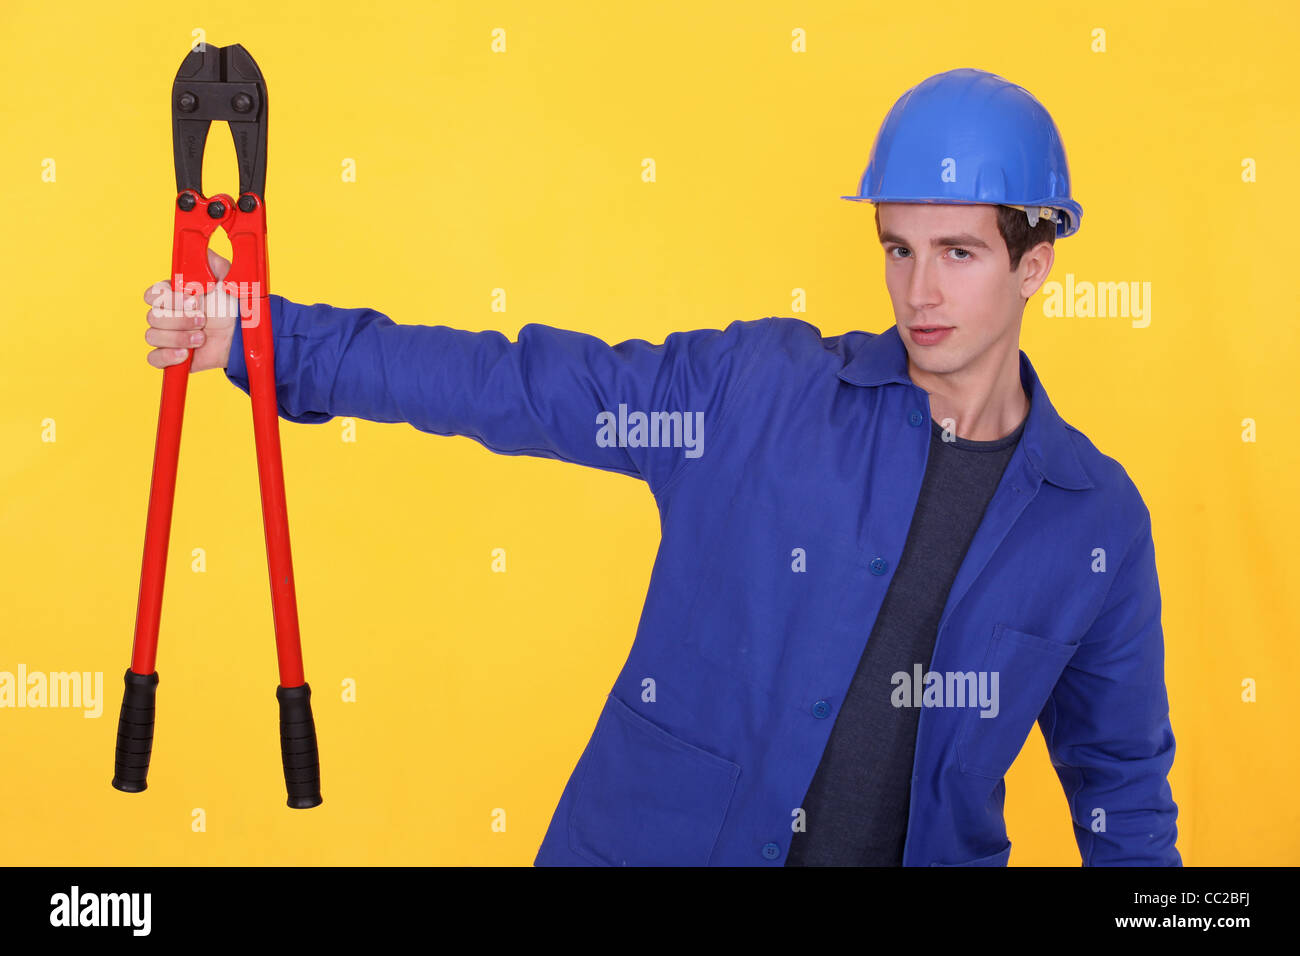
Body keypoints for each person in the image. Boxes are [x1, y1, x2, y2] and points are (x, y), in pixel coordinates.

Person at [139, 68, 1179, 866]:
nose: (918, 290)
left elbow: (1119, 782)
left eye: (958, 251)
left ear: (1033, 262)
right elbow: (518, 385)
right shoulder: (758, 391)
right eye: (897, 247)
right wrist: (264, 336)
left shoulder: (1092, 521)